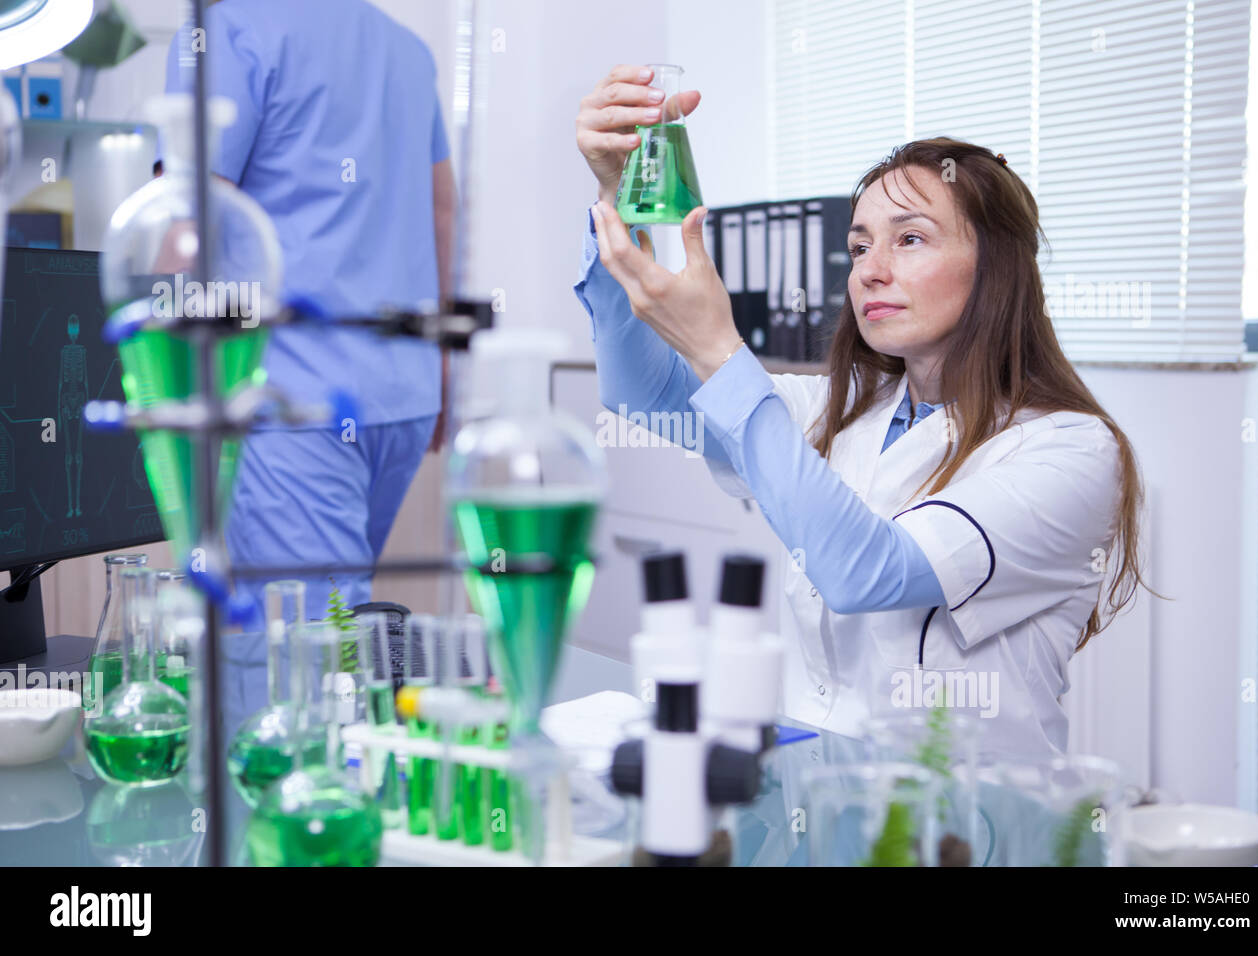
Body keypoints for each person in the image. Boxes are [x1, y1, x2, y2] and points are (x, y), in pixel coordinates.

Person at [573, 64, 1152, 757]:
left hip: (974, 825)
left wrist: (722, 350)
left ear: (998, 268)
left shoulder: (1070, 451)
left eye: (909, 239)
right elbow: (643, 392)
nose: (869, 269)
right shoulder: (840, 412)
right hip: (818, 799)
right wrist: (617, 196)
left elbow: (865, 572)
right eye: (858, 246)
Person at [165, 0, 454, 724]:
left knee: (300, 678)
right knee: (330, 643)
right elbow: (443, 207)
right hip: (402, 393)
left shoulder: (228, 27)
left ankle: (296, 829)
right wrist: (445, 366)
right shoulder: (405, 48)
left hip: (287, 400)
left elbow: (196, 216)